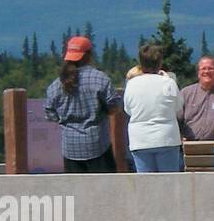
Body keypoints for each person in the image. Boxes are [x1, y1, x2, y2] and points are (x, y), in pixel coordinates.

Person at [43, 36, 122, 173]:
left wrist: (64, 121)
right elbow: (114, 106)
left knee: (76, 191)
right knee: (106, 190)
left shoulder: (57, 85)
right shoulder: (100, 78)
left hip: (70, 147)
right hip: (98, 144)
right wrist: (104, 113)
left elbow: (49, 113)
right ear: (88, 55)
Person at [122, 44, 185, 173]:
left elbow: (128, 109)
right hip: (167, 138)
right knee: (169, 183)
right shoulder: (169, 83)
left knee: (146, 186)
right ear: (160, 62)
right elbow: (178, 107)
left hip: (140, 139)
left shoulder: (132, 84)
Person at [178, 56, 214, 141]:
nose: (206, 71)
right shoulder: (185, 93)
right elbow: (177, 119)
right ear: (198, 73)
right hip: (188, 146)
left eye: (210, 68)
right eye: (203, 69)